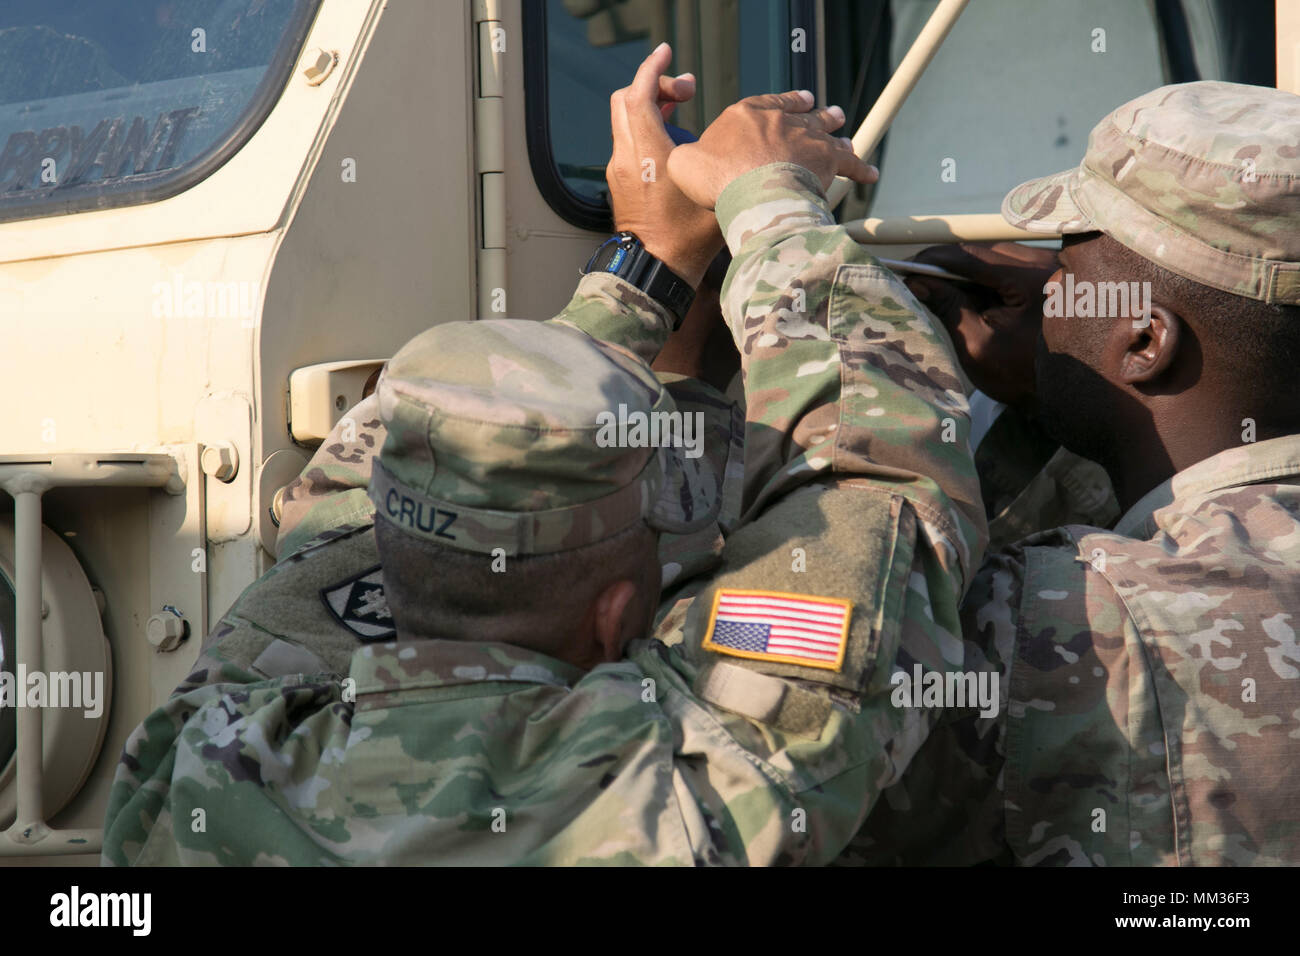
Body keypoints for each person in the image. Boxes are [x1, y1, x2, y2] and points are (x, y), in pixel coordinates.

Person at [101, 44, 991, 865]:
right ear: (616, 619)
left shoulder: (189, 786)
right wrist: (768, 201)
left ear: (387, 589)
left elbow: (325, 552)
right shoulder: (702, 792)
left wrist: (643, 265)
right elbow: (882, 484)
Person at [860, 80, 1300, 866]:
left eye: (1066, 267)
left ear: (1143, 343)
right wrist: (1059, 380)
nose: (1045, 286)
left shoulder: (1066, 620)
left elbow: (765, 759)